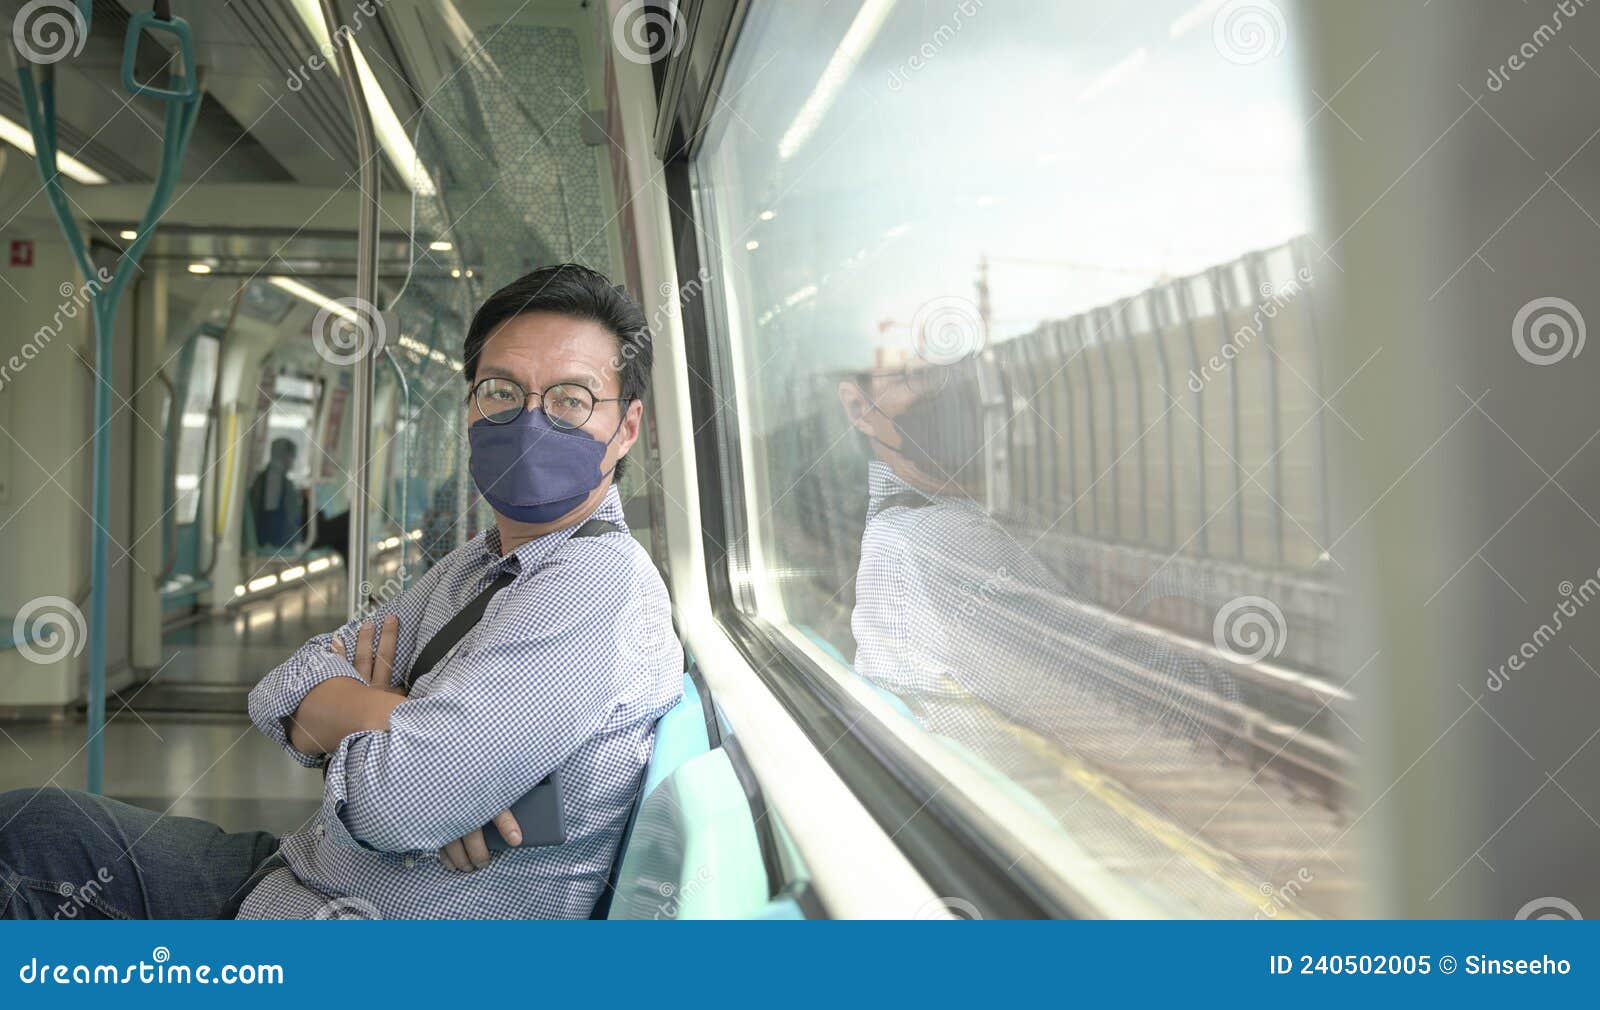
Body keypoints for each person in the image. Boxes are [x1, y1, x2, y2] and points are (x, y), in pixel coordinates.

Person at [0, 264, 683, 920]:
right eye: (501, 391)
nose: (532, 421)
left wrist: (390, 739)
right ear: (471, 408)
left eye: (570, 399)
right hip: (295, 878)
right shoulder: (476, 564)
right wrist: (414, 730)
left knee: (23, 861)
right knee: (38, 825)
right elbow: (280, 689)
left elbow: (405, 802)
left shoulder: (596, 587)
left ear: (625, 427)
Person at [248, 437, 307, 550]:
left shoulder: (262, 479)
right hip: (276, 544)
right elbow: (278, 514)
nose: (292, 461)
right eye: (291, 457)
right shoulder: (277, 480)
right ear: (285, 457)